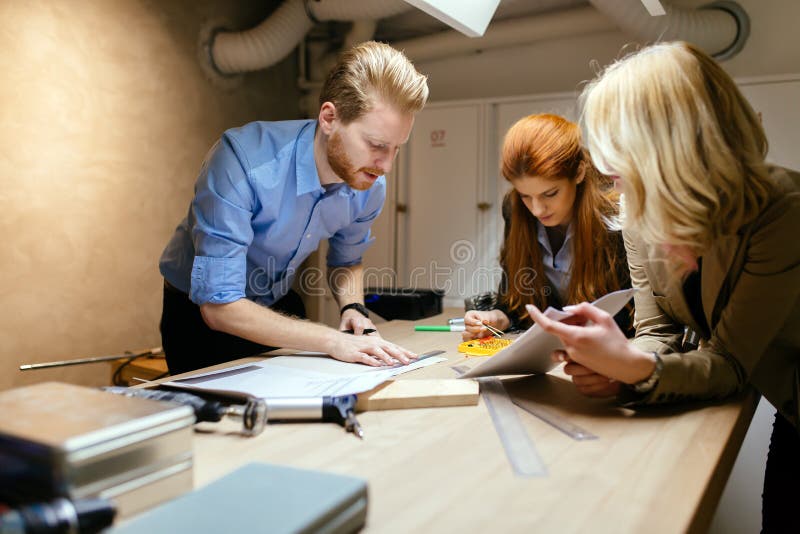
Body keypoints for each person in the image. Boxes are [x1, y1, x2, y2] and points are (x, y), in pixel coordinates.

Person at [526, 42, 799, 533]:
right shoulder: (636, 209)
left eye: (622, 171)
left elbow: (731, 362)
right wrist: (624, 371)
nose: (617, 191)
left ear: (672, 157)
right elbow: (657, 329)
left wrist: (632, 366)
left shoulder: (782, 212)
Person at [158, 41, 429, 374]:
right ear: (330, 118)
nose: (386, 166)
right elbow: (219, 308)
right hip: (199, 315)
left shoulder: (369, 183)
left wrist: (353, 307)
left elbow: (347, 261)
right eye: (376, 145)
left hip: (275, 303)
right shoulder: (241, 162)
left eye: (397, 149)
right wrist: (333, 340)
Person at [462, 113, 632, 341]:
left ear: (579, 173)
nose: (537, 210)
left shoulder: (613, 214)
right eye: (525, 196)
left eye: (550, 194)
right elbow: (515, 300)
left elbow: (628, 312)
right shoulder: (514, 209)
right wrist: (497, 317)